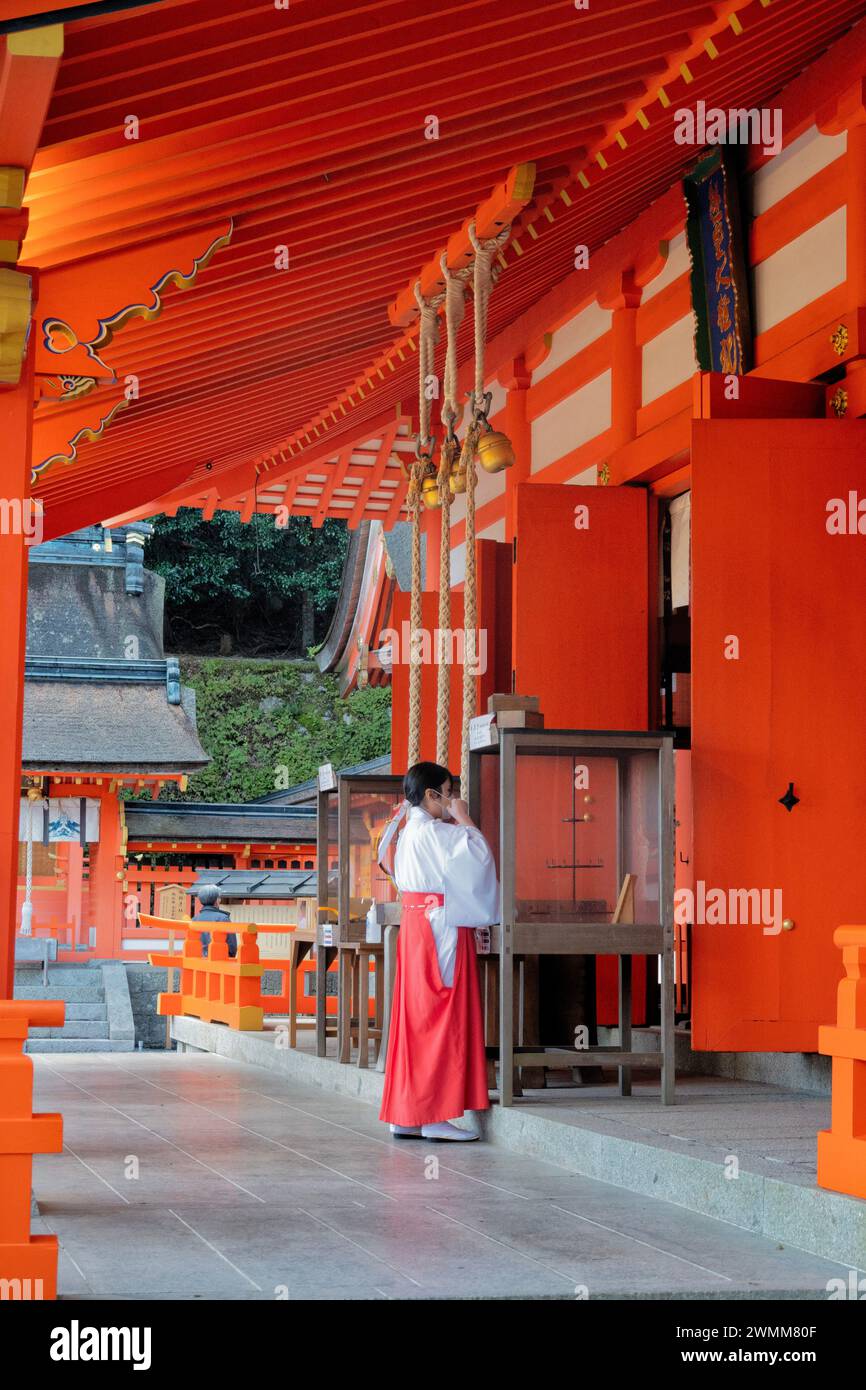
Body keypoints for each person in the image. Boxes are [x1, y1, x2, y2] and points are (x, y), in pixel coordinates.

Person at [379, 761, 498, 1142]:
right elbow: (479, 857)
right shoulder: (434, 832)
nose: (451, 798)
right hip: (440, 924)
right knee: (440, 1012)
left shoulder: (406, 831)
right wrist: (465, 819)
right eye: (447, 791)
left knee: (418, 1014)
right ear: (431, 795)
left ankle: (408, 1114)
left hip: (416, 923)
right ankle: (434, 1115)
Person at [191, 884, 236, 959]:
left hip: (198, 962)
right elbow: (231, 947)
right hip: (219, 961)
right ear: (216, 901)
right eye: (219, 898)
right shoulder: (223, 919)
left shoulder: (194, 919)